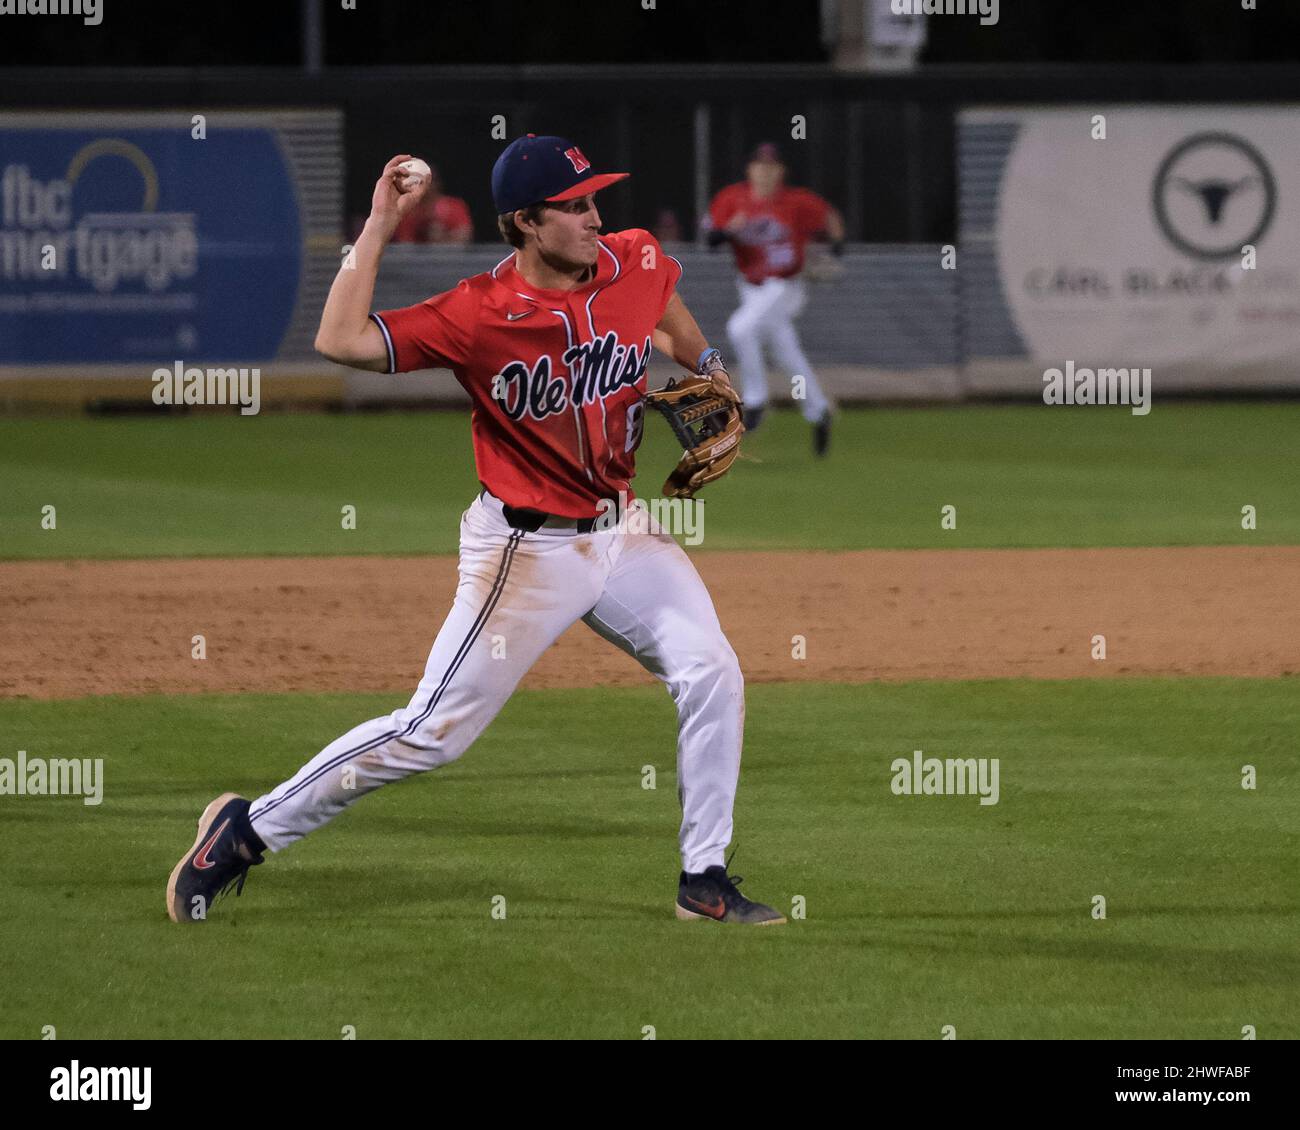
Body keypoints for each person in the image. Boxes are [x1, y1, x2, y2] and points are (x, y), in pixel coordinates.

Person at [165, 134, 785, 928]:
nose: (597, 216)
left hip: (624, 532)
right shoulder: (476, 313)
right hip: (526, 550)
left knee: (712, 671)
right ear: (526, 221)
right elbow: (340, 341)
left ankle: (703, 879)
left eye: (597, 198)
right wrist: (382, 222)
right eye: (576, 204)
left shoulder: (632, 256)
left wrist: (710, 362)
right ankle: (244, 834)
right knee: (433, 734)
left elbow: (662, 304)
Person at [704, 142, 845, 456]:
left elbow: (831, 217)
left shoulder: (796, 202)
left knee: (740, 328)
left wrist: (836, 245)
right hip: (750, 287)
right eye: (759, 165)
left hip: (785, 287)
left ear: (781, 171)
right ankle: (819, 410)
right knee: (785, 350)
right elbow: (711, 239)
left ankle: (755, 402)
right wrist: (729, 230)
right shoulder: (732, 199)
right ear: (749, 170)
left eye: (771, 166)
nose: (765, 171)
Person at [390, 162, 473, 244]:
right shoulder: (404, 208)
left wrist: (442, 238)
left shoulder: (454, 206)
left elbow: (464, 239)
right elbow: (403, 244)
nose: (424, 186)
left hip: (446, 256)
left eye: (428, 181)